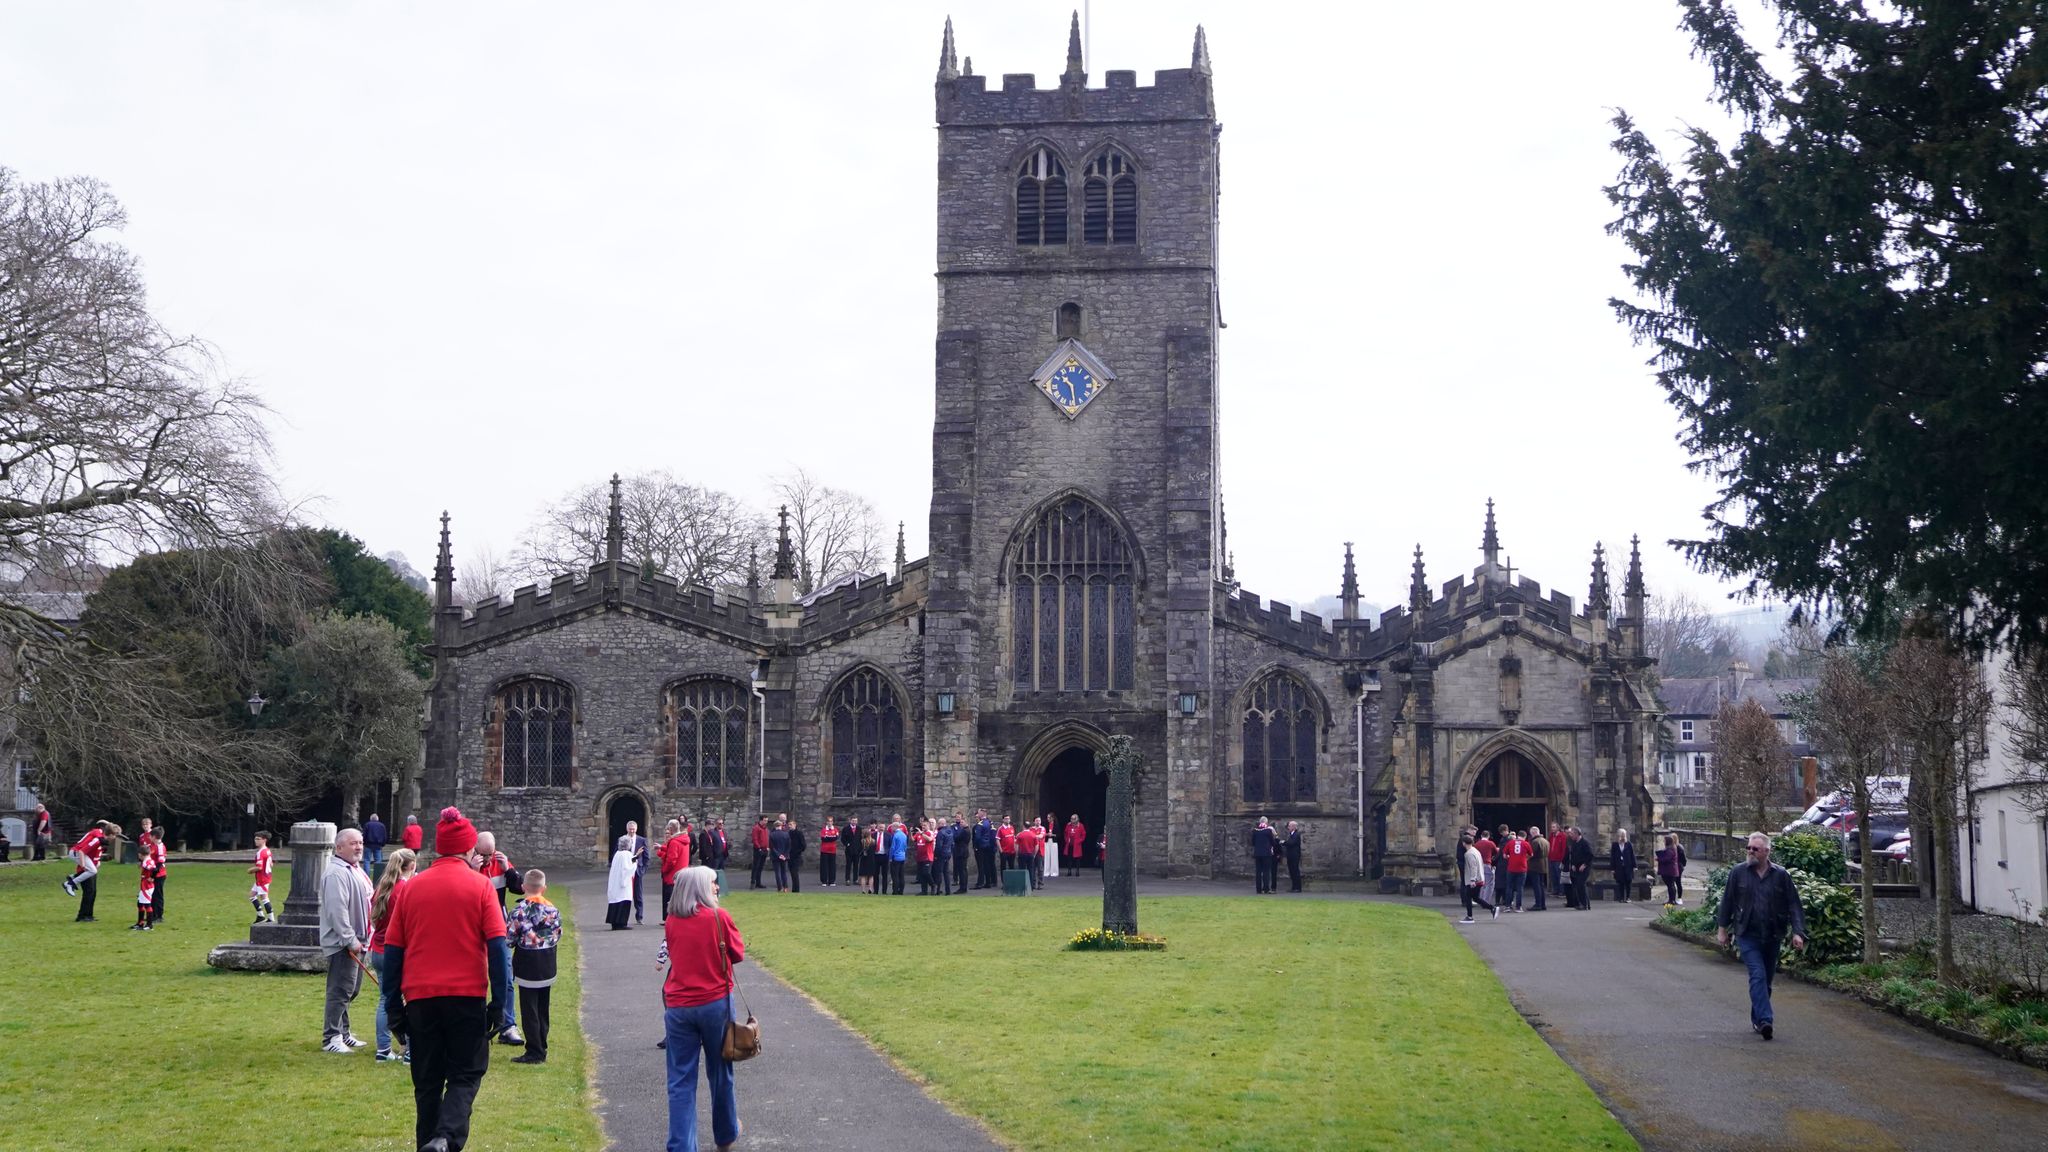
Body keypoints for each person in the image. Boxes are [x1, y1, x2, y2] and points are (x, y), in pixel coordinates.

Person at [381, 807, 513, 1152]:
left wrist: (393, 1006)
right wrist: (500, 1005)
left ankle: (428, 1141)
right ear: (469, 850)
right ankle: (446, 1138)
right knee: (466, 1074)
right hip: (465, 996)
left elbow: (393, 951)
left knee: (426, 1082)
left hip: (421, 999)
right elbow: (499, 951)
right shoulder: (481, 887)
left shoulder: (411, 889)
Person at [657, 866, 743, 1152]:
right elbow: (737, 953)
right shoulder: (719, 917)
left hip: (679, 1006)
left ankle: (682, 1145)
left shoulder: (671, 920)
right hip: (715, 1002)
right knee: (720, 1072)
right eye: (713, 884)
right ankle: (726, 1134)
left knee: (680, 1080)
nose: (717, 888)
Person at [1715, 831, 1807, 1041]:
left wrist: (1798, 932)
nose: (1750, 852)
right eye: (1748, 848)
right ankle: (1766, 1020)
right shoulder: (1738, 873)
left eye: (1754, 849)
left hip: (1772, 934)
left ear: (1766, 851)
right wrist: (1722, 929)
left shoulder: (1781, 875)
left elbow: (1794, 904)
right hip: (1747, 934)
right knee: (1757, 974)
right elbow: (1727, 901)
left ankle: (1757, 1018)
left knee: (1765, 981)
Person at [320, 827, 373, 1052]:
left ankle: (343, 1032)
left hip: (360, 940)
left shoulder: (354, 869)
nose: (359, 847)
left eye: (360, 842)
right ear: (339, 847)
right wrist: (349, 939)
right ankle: (331, 1037)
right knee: (340, 990)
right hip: (344, 943)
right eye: (353, 843)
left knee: (352, 990)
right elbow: (336, 910)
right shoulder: (335, 873)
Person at [370, 847, 421, 1062]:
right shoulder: (405, 889)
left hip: (378, 949)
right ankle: (410, 1049)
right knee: (409, 999)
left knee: (385, 999)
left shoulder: (382, 887)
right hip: (398, 950)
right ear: (411, 865)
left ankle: (383, 1049)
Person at [508, 868, 562, 1065]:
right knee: (542, 1006)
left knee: (529, 1008)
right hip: (547, 961)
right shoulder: (553, 909)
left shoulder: (519, 911)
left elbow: (510, 938)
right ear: (544, 888)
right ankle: (542, 1042)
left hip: (527, 962)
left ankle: (534, 1050)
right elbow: (557, 934)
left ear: (523, 887)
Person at [65, 819, 113, 921]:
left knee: (93, 891)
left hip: (91, 866)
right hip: (86, 866)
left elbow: (94, 853)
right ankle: (82, 915)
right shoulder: (97, 833)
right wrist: (83, 866)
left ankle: (89, 915)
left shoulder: (98, 839)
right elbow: (83, 851)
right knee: (88, 892)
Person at [1458, 833, 1498, 923]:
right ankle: (1492, 908)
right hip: (1480, 878)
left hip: (1474, 880)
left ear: (1464, 843)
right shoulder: (1475, 850)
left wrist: (1472, 879)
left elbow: (1473, 866)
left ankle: (1470, 917)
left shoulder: (1469, 854)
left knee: (1468, 897)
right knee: (1475, 898)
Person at [618, 822, 649, 923]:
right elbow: (616, 853)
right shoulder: (622, 840)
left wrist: (643, 870)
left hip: (637, 871)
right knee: (624, 894)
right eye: (630, 829)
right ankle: (623, 918)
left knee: (638, 894)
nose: (632, 831)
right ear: (627, 829)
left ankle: (639, 917)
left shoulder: (642, 840)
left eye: (633, 829)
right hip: (625, 870)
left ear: (636, 829)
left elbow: (646, 857)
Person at [129, 828, 158, 931]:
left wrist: (151, 878)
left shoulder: (147, 863)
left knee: (146, 904)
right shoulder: (147, 860)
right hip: (144, 886)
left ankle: (149, 925)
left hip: (147, 886)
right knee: (140, 904)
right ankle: (140, 923)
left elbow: (155, 869)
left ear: (141, 854)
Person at [660, 820, 691, 914]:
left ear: (671, 828)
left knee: (670, 899)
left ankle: (670, 918)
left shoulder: (674, 842)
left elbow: (671, 860)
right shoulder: (684, 839)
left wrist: (664, 870)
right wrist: (662, 847)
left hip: (672, 876)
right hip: (682, 874)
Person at [249, 829, 279, 923]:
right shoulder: (267, 850)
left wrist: (250, 870)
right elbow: (271, 864)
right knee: (252, 895)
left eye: (258, 839)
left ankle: (271, 918)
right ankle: (260, 916)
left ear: (264, 840)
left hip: (262, 878)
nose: (256, 840)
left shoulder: (260, 852)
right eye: (255, 839)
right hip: (265, 877)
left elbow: (259, 867)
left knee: (264, 898)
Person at [606, 842, 636, 930]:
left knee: (615, 901)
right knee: (623, 901)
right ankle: (621, 923)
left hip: (615, 882)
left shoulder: (617, 854)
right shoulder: (627, 854)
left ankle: (614, 923)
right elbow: (628, 868)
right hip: (623, 884)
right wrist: (635, 861)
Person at [1656, 833, 1688, 906]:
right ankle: (1672, 899)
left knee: (1671, 885)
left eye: (1664, 841)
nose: (1664, 842)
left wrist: (1659, 859)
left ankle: (1672, 900)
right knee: (1671, 885)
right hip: (1671, 869)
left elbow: (1667, 859)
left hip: (1670, 870)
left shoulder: (1671, 849)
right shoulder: (1672, 848)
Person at [146, 821, 169, 924]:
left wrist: (153, 876)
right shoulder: (152, 845)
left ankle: (159, 915)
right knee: (152, 894)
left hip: (159, 875)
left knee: (157, 895)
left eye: (150, 836)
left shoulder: (160, 847)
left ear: (154, 836)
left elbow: (160, 863)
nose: (149, 838)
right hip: (153, 873)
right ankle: (153, 914)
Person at [1566, 827, 1594, 910]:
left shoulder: (1585, 843)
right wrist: (1573, 865)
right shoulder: (1574, 843)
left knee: (1581, 884)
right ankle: (1582, 903)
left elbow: (1590, 855)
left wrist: (1584, 864)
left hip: (1584, 867)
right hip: (1576, 867)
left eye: (1572, 834)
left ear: (1577, 834)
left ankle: (1584, 904)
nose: (1571, 835)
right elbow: (1573, 855)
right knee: (1578, 885)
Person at [1502, 829, 1530, 911]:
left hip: (1511, 867)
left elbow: (1504, 855)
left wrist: (1510, 858)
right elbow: (1531, 854)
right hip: (1522, 868)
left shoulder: (1510, 843)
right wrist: (1525, 859)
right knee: (1519, 888)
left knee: (1509, 887)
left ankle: (1508, 906)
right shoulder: (1526, 843)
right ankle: (1518, 907)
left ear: (1518, 836)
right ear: (1524, 837)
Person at [1610, 829, 1638, 904]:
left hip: (1628, 866)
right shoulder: (1615, 845)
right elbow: (1612, 857)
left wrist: (1635, 866)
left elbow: (1632, 855)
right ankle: (1621, 898)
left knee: (1628, 882)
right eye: (1621, 836)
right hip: (1619, 867)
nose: (1623, 838)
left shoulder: (1628, 844)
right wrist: (1612, 868)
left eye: (1624, 836)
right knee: (1620, 882)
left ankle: (1628, 897)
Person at [1251, 817, 1278, 894]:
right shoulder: (1268, 831)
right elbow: (1273, 842)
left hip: (1257, 853)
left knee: (1258, 872)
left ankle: (1258, 889)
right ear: (1266, 822)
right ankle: (1266, 889)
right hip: (1266, 854)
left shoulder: (1255, 831)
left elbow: (1252, 842)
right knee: (1266, 871)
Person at [1527, 826, 1550, 912]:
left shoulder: (1535, 842)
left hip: (1535, 865)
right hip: (1544, 864)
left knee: (1536, 886)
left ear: (1533, 833)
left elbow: (1531, 854)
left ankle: (1538, 904)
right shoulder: (1545, 841)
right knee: (1541, 885)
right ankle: (1542, 904)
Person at [972, 810, 997, 888]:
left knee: (981, 866)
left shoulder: (980, 824)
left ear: (981, 814)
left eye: (978, 813)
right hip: (989, 846)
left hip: (981, 847)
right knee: (987, 865)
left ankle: (980, 882)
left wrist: (976, 846)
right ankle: (988, 882)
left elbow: (977, 837)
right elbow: (993, 834)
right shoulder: (990, 823)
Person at [949, 813, 970, 894]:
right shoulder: (965, 830)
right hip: (962, 851)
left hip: (961, 852)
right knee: (963, 870)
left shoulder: (964, 831)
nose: (960, 824)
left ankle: (963, 887)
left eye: (962, 822)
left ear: (965, 823)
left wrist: (955, 834)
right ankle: (963, 886)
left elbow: (956, 838)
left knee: (962, 870)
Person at [768, 818, 791, 893]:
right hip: (784, 856)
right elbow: (788, 846)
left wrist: (778, 855)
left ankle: (779, 887)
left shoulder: (772, 835)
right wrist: (784, 855)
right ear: (781, 826)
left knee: (777, 872)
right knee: (784, 872)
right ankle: (786, 887)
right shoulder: (786, 834)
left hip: (775, 856)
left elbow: (772, 847)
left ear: (775, 826)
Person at [933, 817, 955, 894]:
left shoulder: (941, 833)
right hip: (948, 853)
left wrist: (935, 855)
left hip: (941, 854)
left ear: (941, 824)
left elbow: (939, 846)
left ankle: (938, 890)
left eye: (939, 823)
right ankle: (948, 890)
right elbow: (952, 844)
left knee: (939, 872)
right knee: (946, 872)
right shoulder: (950, 832)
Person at [889, 818, 909, 895]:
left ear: (895, 827)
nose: (891, 828)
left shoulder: (895, 836)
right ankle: (901, 890)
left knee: (895, 875)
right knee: (901, 875)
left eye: (892, 827)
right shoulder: (904, 835)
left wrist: (890, 857)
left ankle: (895, 891)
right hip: (902, 856)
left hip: (896, 857)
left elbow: (892, 847)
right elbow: (905, 846)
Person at [748, 816, 769, 889]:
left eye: (767, 820)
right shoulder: (756, 828)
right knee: (756, 866)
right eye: (765, 820)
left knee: (760, 867)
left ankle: (758, 882)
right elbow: (755, 839)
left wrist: (767, 847)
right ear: (761, 820)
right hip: (758, 849)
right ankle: (753, 882)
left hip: (765, 849)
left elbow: (766, 838)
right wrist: (759, 847)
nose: (766, 822)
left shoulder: (765, 828)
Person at [785, 818, 805, 894]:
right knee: (792, 873)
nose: (789, 826)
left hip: (796, 856)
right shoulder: (788, 834)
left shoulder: (799, 833)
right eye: (789, 825)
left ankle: (796, 889)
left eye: (791, 824)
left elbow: (803, 845)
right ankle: (794, 889)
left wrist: (797, 852)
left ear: (795, 825)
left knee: (795, 873)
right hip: (789, 856)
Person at [1282, 821, 1303, 892]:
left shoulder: (1296, 834)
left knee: (1295, 871)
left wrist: (1283, 842)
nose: (1288, 828)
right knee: (1292, 871)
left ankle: (1298, 888)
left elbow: (1291, 843)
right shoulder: (1292, 834)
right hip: (1291, 855)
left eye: (1289, 826)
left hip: (1294, 856)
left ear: (1293, 827)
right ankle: (1294, 887)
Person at [819, 817, 839, 887]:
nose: (829, 823)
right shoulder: (823, 830)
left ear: (832, 822)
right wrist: (830, 838)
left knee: (832, 866)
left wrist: (829, 838)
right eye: (828, 821)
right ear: (826, 822)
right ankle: (824, 881)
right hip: (824, 850)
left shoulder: (835, 829)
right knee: (824, 866)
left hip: (833, 851)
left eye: (831, 821)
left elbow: (835, 838)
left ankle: (832, 881)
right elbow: (823, 838)